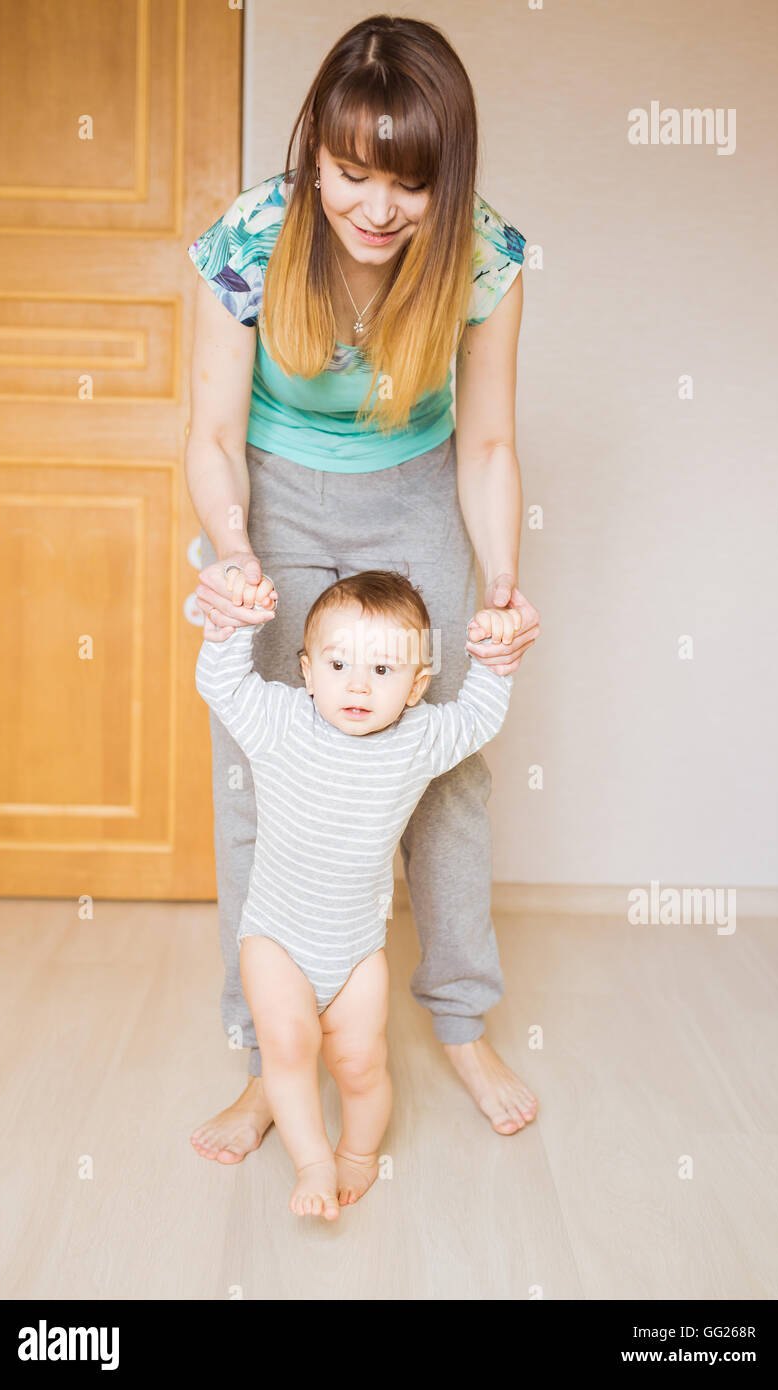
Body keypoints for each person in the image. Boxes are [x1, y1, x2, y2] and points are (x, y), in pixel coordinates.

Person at [185, 14, 542, 1163]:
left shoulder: (485, 253)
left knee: (444, 768)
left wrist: (499, 582)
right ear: (314, 157)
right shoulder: (248, 236)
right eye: (350, 176)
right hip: (274, 495)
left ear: (452, 176)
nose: (377, 210)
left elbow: (487, 442)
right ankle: (264, 1054)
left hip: (414, 485)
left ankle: (457, 1020)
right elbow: (206, 431)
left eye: (409, 184)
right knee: (257, 771)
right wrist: (234, 549)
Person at [195, 564, 520, 1218]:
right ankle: (313, 1163)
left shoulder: (419, 738)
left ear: (417, 685)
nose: (357, 686)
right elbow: (221, 684)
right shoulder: (280, 721)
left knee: (361, 1067)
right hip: (276, 940)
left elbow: (481, 714)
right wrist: (231, 628)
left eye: (382, 672)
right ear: (307, 670)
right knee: (287, 1051)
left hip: (356, 955)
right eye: (339, 664)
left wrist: (495, 651)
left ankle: (358, 1156)